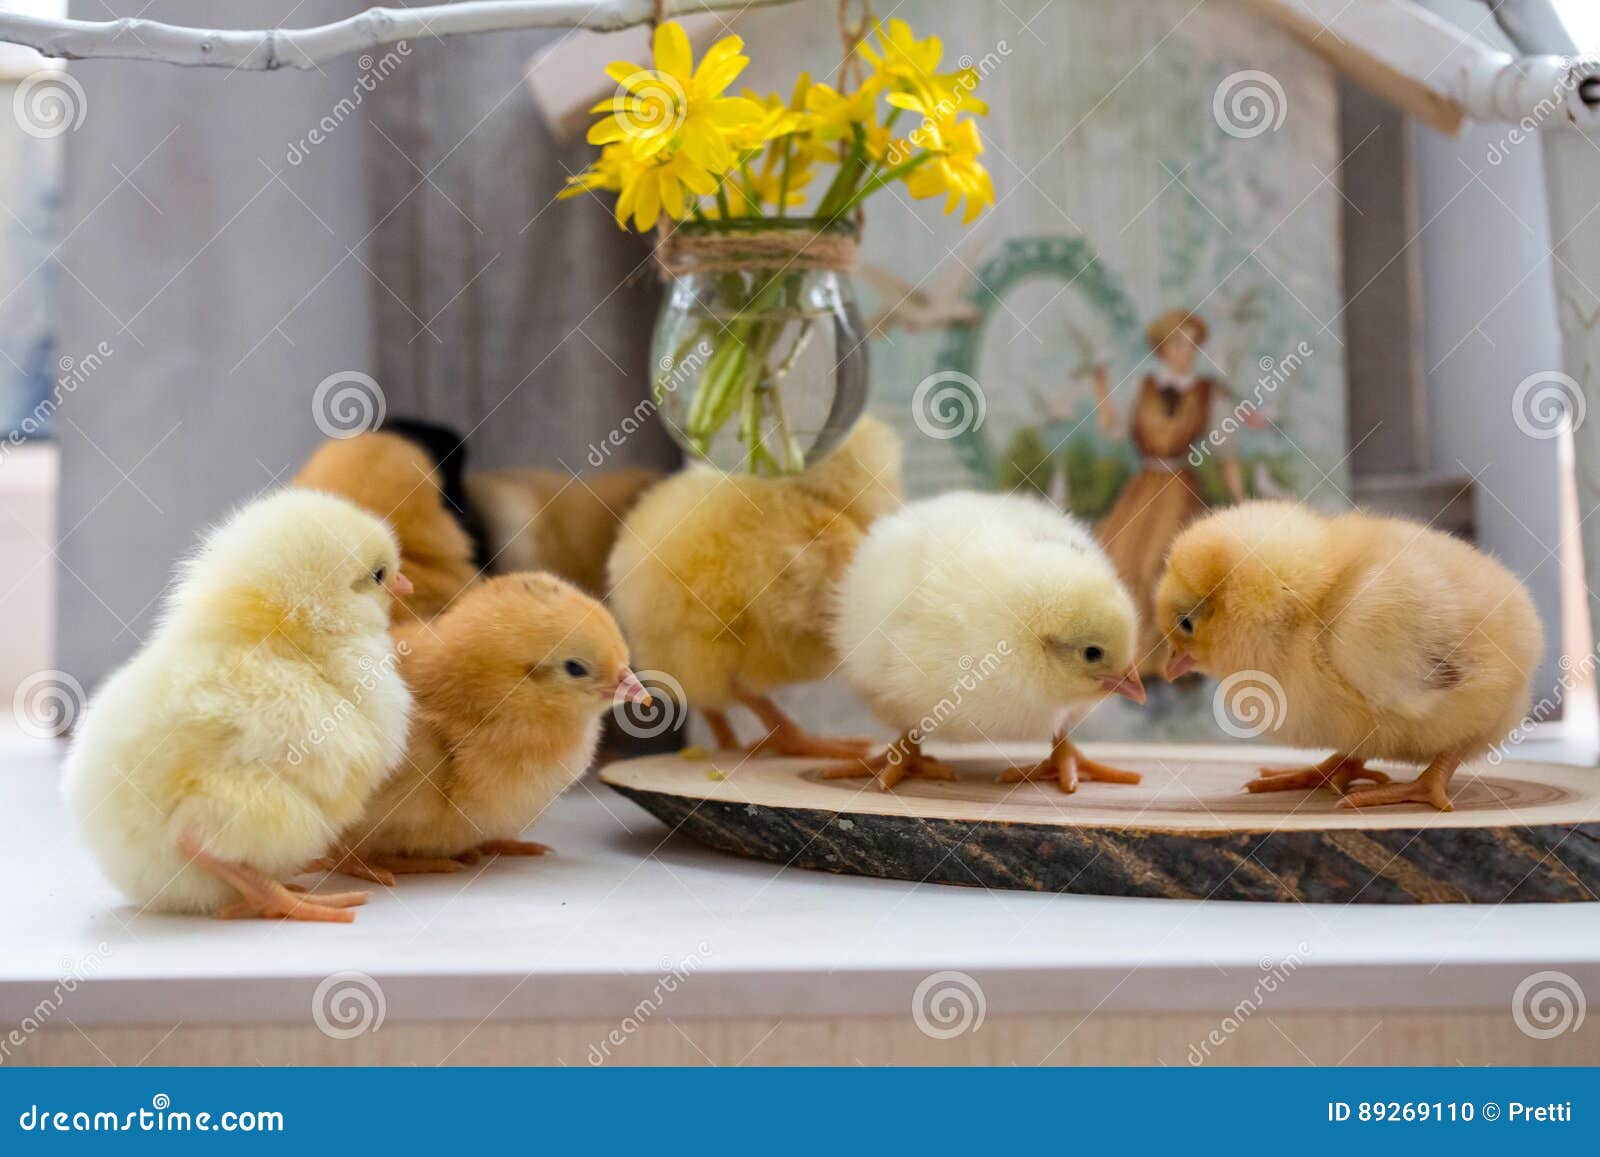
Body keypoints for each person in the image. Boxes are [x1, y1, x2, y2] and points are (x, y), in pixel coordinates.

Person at [1092, 308, 1247, 677]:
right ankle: (1128, 662)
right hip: (1144, 489)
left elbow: (1227, 455)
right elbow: (1113, 428)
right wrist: (1100, 388)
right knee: (1120, 563)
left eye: (1193, 343)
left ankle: (1173, 664)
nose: (1186, 350)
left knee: (1164, 570)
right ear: (1162, 346)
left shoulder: (1209, 393)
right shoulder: (1141, 386)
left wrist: (1242, 502)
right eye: (1178, 342)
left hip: (1180, 489)